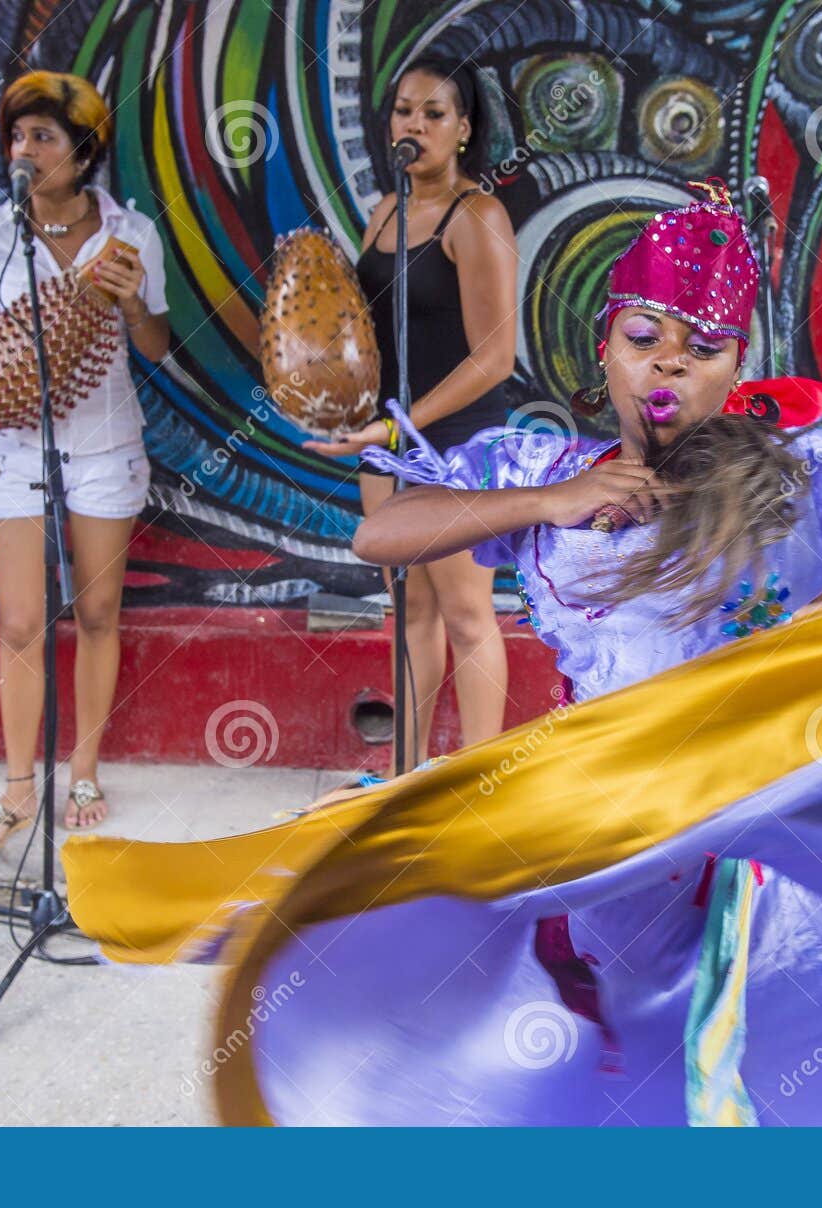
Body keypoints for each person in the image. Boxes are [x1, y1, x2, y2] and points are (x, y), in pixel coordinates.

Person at [65, 186, 822, 1124]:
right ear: (601, 341)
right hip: (586, 831)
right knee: (565, 1064)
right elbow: (380, 529)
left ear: (734, 360)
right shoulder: (545, 471)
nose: (666, 370)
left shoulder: (792, 482)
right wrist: (549, 497)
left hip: (736, 852)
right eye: (642, 338)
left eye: (699, 350)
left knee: (758, 1071)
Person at [0, 71, 169, 856]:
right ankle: (15, 787)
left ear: (84, 150)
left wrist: (135, 302)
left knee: (98, 614)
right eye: (16, 136)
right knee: (19, 623)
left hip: (105, 443)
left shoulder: (131, 234)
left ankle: (84, 768)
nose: (24, 151)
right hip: (15, 444)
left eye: (43, 136)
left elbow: (157, 348)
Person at [303, 58, 518, 775]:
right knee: (411, 612)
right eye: (403, 111)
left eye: (433, 114)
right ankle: (408, 773)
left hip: (457, 440)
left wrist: (400, 428)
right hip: (385, 437)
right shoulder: (385, 211)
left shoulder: (477, 216)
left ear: (463, 130)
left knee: (465, 614)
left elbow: (493, 358)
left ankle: (483, 784)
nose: (413, 125)